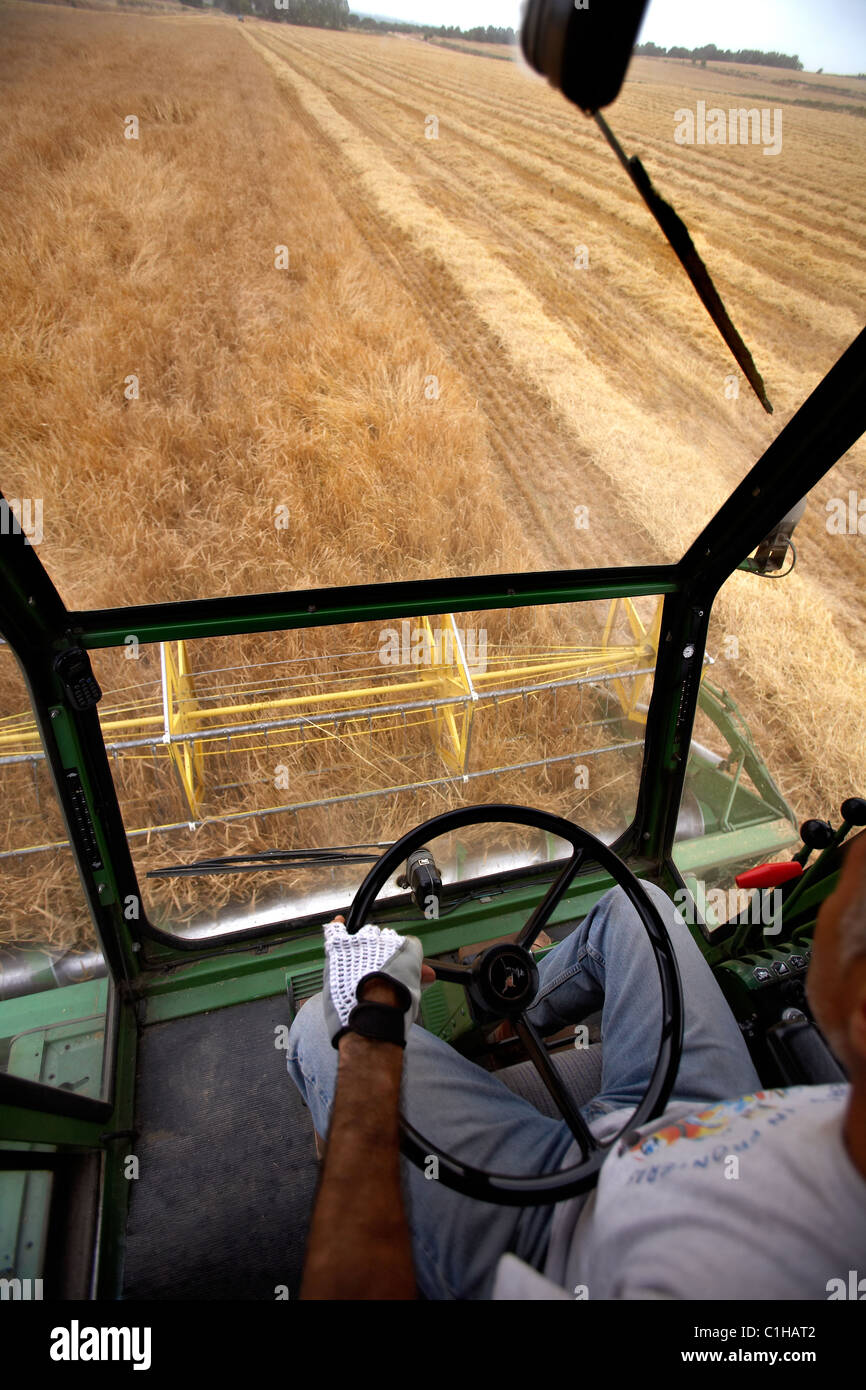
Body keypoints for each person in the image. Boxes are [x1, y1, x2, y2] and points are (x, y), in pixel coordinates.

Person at [287, 831, 866, 1300]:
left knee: (321, 1023)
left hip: (561, 1230)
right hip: (712, 1123)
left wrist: (378, 1023)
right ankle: (512, 1014)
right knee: (637, 904)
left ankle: (358, 1120)